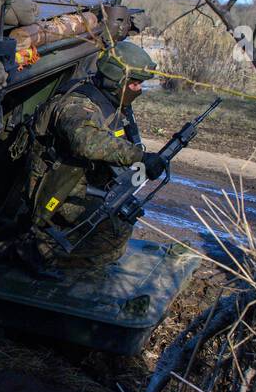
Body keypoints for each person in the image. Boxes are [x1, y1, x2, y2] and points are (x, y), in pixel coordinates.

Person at [19, 40, 167, 272]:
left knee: (124, 212)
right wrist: (139, 157)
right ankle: (39, 251)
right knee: (115, 235)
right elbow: (85, 142)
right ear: (116, 79)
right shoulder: (76, 104)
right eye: (135, 83)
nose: (139, 90)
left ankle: (52, 245)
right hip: (53, 190)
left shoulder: (108, 99)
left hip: (75, 181)